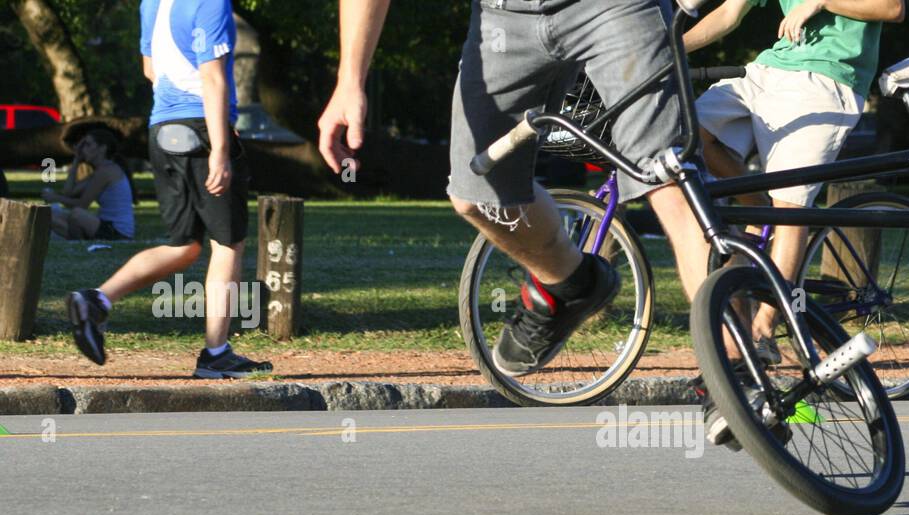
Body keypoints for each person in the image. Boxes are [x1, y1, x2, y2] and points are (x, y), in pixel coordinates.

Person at [318, 0, 711, 382]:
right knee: (477, 195)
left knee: (670, 181)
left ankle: (736, 367)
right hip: (504, 17)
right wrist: (349, 82)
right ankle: (572, 285)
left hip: (616, 8)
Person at [684, 0, 905, 363]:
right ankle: (757, 209)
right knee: (686, 135)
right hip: (766, 70)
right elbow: (728, 14)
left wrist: (818, 2)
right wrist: (669, 49)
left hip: (827, 79)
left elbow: (892, 8)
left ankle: (764, 330)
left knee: (790, 206)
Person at [65, 0, 271, 379]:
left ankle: (96, 301)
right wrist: (221, 147)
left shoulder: (152, 3)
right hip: (200, 131)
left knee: (183, 245)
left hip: (162, 129)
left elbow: (151, 70)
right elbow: (212, 77)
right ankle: (216, 354)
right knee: (227, 245)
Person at [43, 128, 136, 241]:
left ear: (102, 149)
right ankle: (70, 238)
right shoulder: (100, 171)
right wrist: (76, 160)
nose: (83, 149)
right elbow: (69, 192)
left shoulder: (106, 172)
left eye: (87, 145)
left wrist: (54, 198)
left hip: (117, 232)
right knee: (50, 214)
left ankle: (75, 241)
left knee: (77, 214)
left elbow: (82, 204)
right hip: (103, 225)